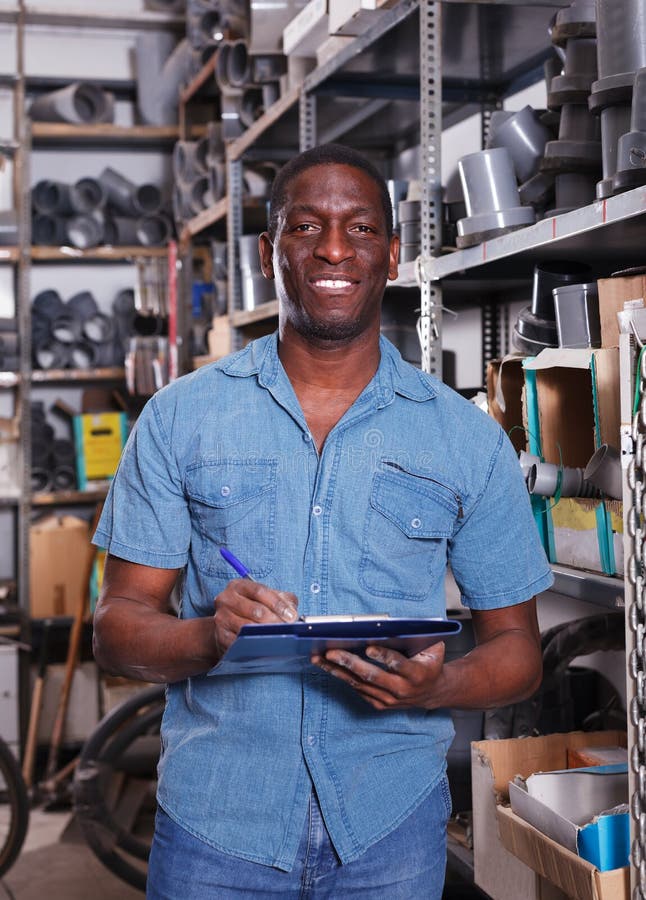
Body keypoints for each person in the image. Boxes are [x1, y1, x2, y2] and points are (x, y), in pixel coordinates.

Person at [92, 142, 554, 899]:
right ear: (272, 252)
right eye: (306, 227)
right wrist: (207, 635)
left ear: (394, 255)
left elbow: (518, 652)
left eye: (361, 228)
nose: (334, 247)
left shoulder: (464, 439)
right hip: (218, 826)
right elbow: (117, 627)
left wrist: (430, 690)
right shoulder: (181, 418)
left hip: (388, 830)